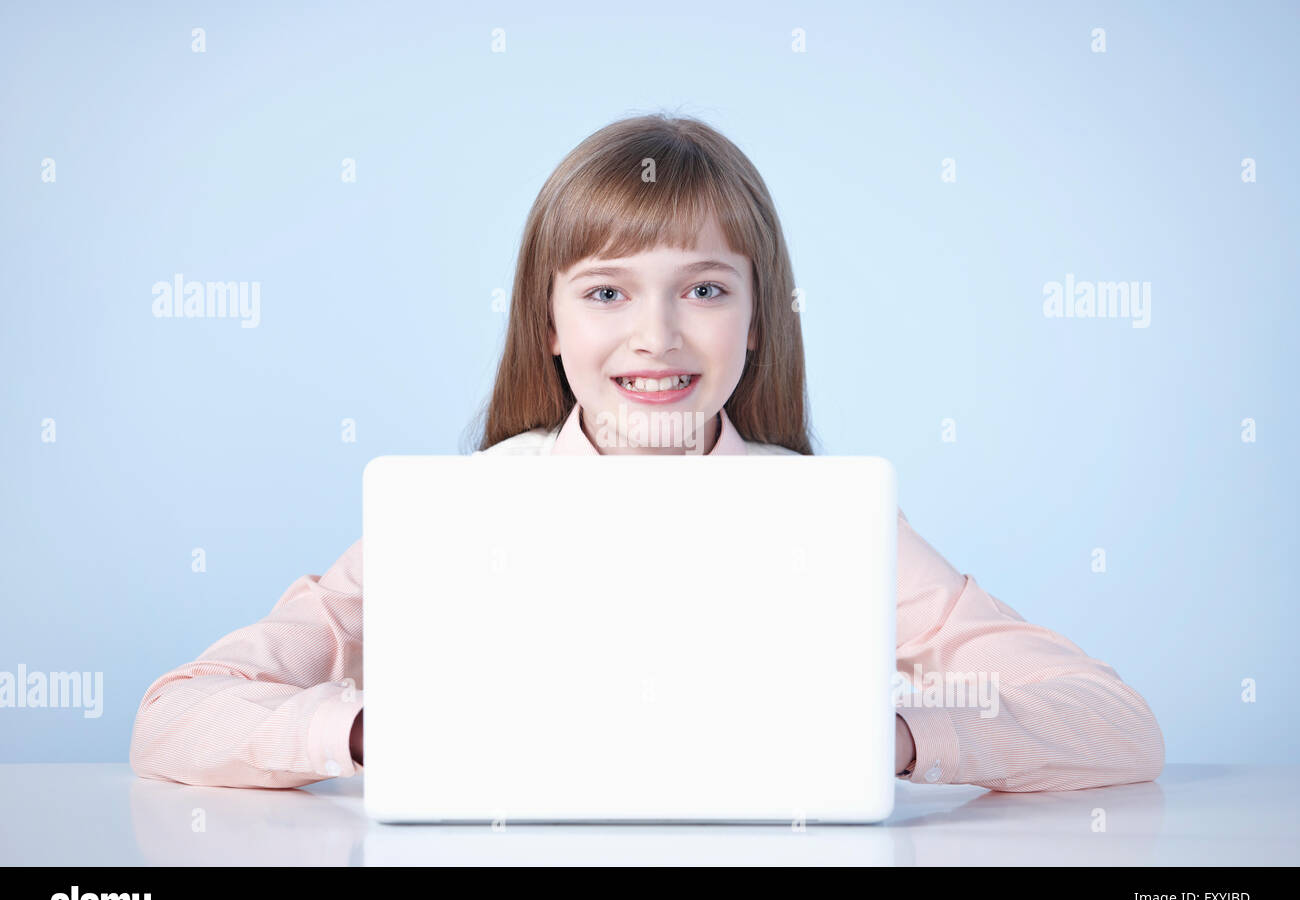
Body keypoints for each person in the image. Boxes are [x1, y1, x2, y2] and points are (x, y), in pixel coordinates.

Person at [130, 113, 1164, 792]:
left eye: (705, 288)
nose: (657, 336)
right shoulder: (458, 513)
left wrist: (895, 739)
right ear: (548, 322)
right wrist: (365, 733)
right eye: (607, 290)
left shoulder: (831, 522)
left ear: (757, 322)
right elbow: (174, 714)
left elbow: (1114, 723)